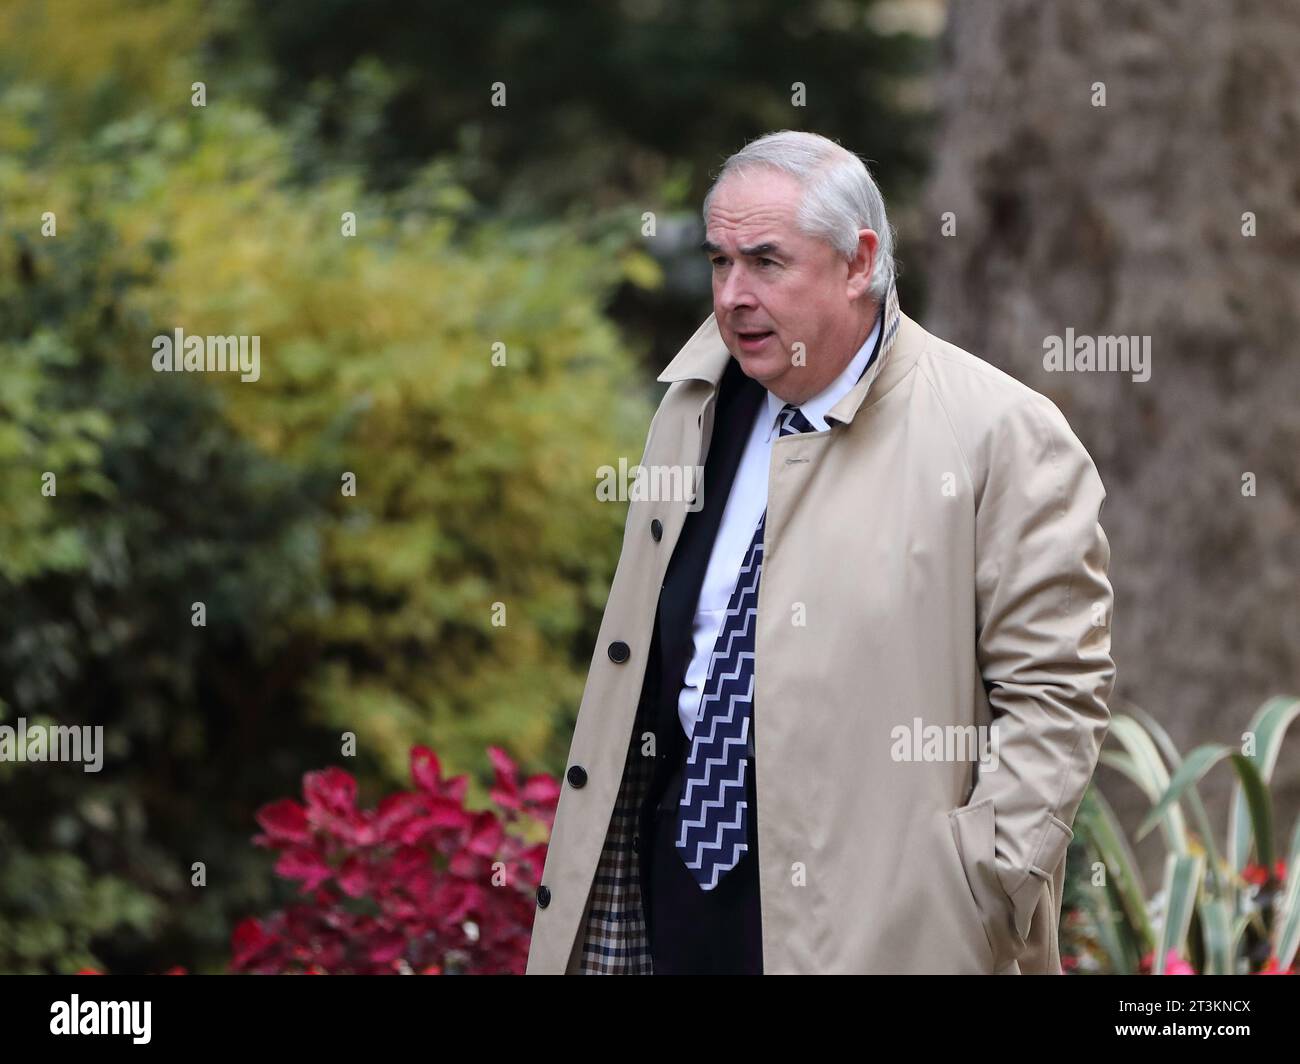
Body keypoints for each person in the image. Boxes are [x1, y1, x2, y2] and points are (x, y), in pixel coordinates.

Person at [525, 129, 1116, 975]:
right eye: (720, 261)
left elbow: (1056, 696)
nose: (732, 295)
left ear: (857, 262)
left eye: (766, 261)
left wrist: (982, 887)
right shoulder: (694, 408)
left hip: (889, 922)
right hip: (682, 885)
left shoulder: (1002, 434)